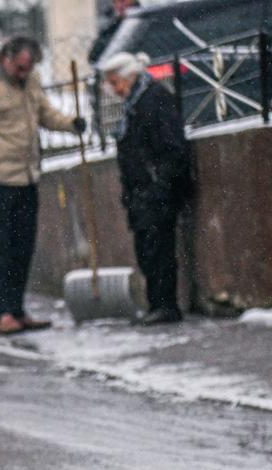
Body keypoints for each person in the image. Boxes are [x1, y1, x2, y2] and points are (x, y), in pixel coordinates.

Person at [0, 36, 88, 336]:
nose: (24, 73)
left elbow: (44, 113)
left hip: (27, 178)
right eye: (19, 67)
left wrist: (71, 124)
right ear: (6, 58)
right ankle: (2, 314)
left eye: (29, 67)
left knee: (22, 250)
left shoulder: (31, 80)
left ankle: (17, 310)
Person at [101, 51, 193, 324]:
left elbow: (171, 147)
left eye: (116, 83)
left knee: (158, 249)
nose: (114, 90)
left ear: (130, 77)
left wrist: (159, 185)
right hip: (143, 191)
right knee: (148, 249)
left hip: (155, 190)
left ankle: (165, 305)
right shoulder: (137, 102)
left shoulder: (153, 99)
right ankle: (157, 304)